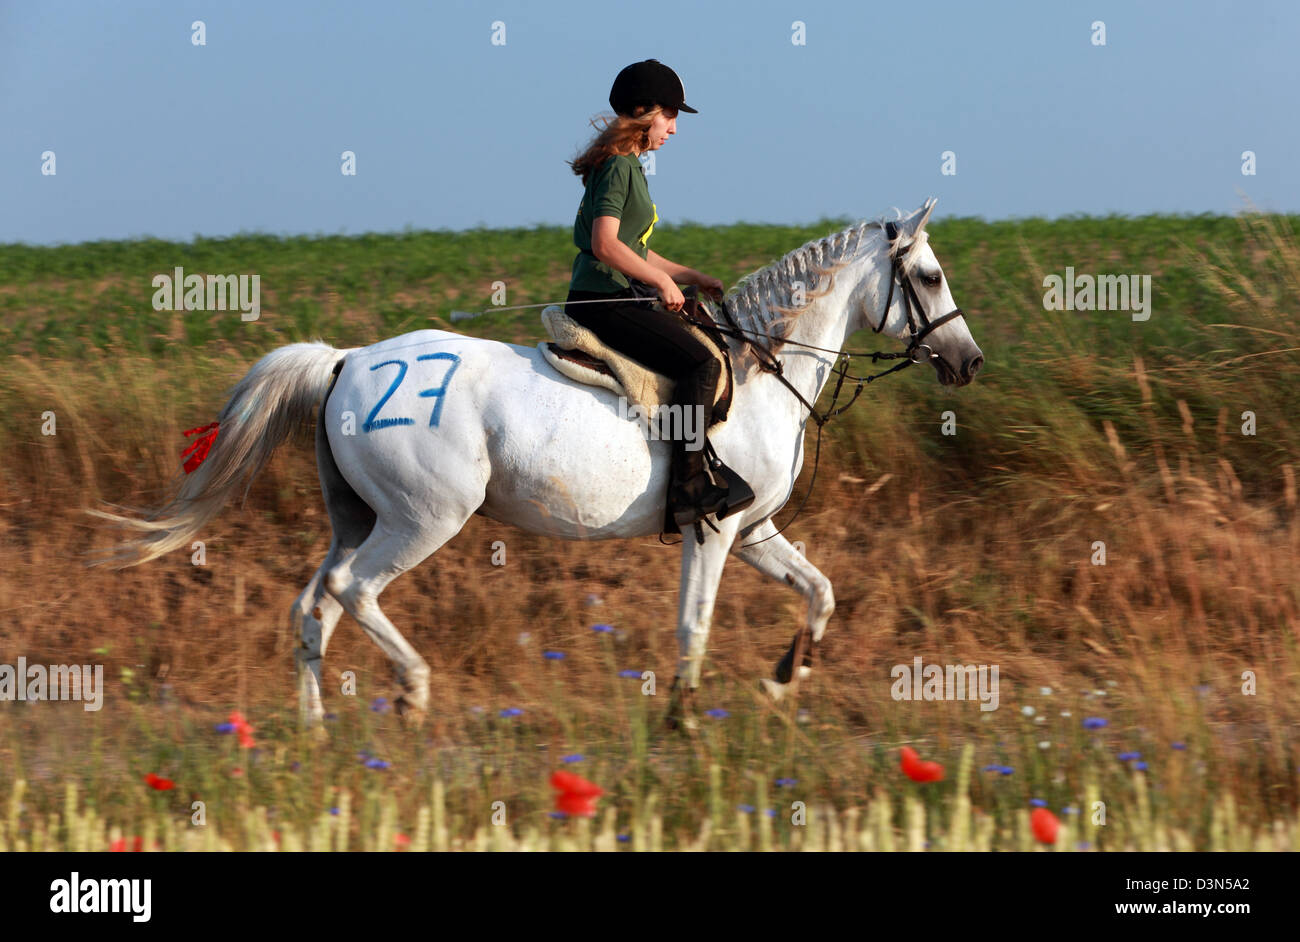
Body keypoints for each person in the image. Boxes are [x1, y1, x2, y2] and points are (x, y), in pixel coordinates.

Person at [564, 59, 753, 535]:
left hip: (615, 296)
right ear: (645, 111)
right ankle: (686, 485)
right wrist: (663, 284)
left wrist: (688, 275)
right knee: (702, 364)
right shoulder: (619, 168)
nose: (674, 129)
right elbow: (607, 246)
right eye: (670, 116)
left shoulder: (628, 166)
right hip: (602, 301)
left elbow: (636, 250)